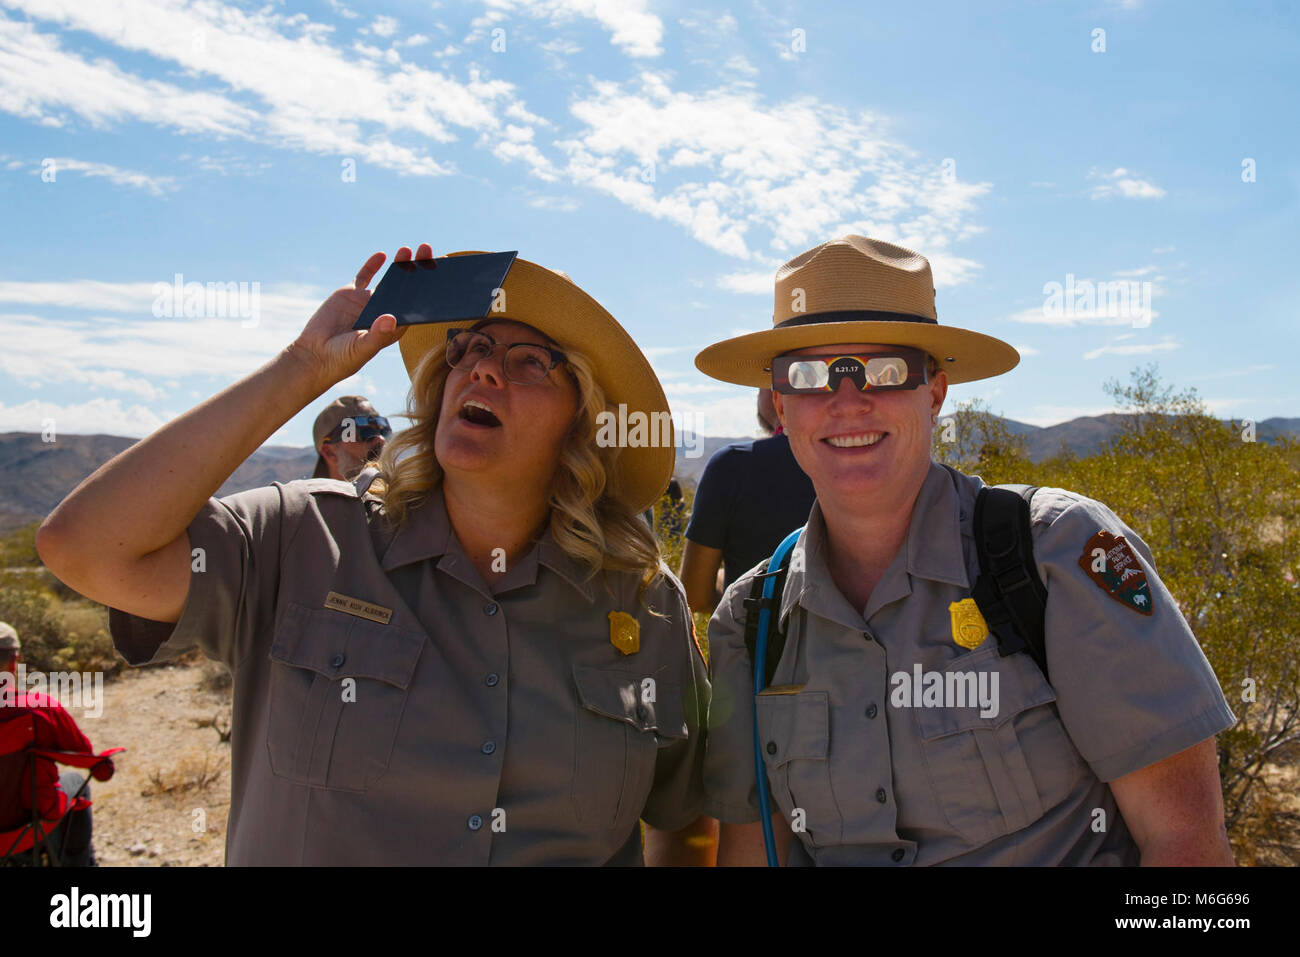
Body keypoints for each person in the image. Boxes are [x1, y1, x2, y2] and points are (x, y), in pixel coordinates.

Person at [36, 244, 714, 866]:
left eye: (529, 361)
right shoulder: (301, 537)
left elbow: (685, 817)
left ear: (584, 420)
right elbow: (87, 548)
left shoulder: (642, 602)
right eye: (470, 348)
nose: (480, 367)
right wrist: (302, 368)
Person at [693, 235, 1237, 866]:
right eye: (810, 376)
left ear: (934, 392)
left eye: (886, 369)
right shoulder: (754, 620)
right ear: (781, 406)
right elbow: (753, 853)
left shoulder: (1057, 553)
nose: (847, 400)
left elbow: (1186, 845)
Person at [679, 389, 816, 616]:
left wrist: (737, 585)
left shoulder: (733, 466)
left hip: (754, 648)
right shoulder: (865, 463)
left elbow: (694, 596)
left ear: (778, 398)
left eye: (761, 383)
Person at [0, 622, 112, 866]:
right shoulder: (39, 708)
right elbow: (85, 757)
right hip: (27, 829)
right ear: (14, 662)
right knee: (76, 783)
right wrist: (104, 767)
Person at [312, 395, 391, 481]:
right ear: (329, 452)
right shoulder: (301, 493)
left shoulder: (398, 493)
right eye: (366, 432)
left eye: (383, 431)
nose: (381, 440)